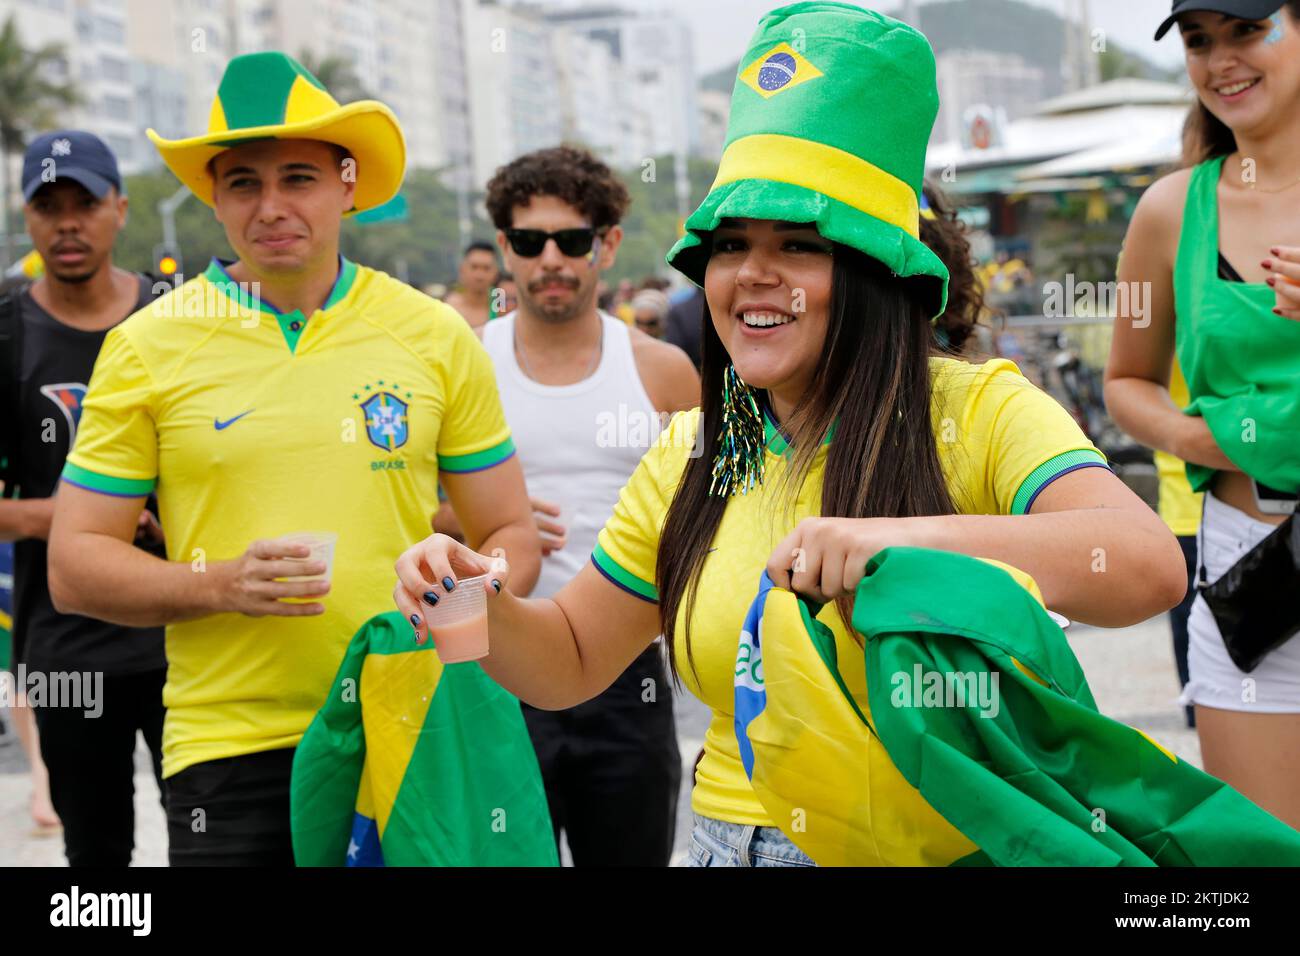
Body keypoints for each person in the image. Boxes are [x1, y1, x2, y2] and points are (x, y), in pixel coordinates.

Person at [394, 3, 1186, 867]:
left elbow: (1144, 564)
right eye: (731, 244)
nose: (753, 275)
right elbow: (573, 658)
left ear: (874, 272)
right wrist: (471, 598)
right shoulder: (696, 449)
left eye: (799, 246)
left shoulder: (977, 411)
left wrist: (901, 543)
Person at [47, 52, 540, 866]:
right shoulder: (146, 346)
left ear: (348, 185)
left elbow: (510, 533)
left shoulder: (433, 334)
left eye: (299, 178)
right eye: (243, 183)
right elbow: (74, 564)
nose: (271, 206)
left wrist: (466, 591)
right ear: (215, 198)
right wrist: (220, 584)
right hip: (229, 748)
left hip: (409, 725)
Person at [1105, 0, 1300, 829]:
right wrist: (1199, 439)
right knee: (1265, 850)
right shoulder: (1171, 210)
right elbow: (1127, 381)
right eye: (1198, 40)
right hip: (1253, 576)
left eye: (1247, 30)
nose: (1222, 60)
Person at [474, 145, 698, 865]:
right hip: (494, 666)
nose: (551, 260)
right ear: (504, 246)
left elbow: (718, 510)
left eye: (572, 240)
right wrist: (479, 522)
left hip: (626, 670)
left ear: (608, 244)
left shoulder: (662, 371)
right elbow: (407, 499)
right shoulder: (464, 364)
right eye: (529, 241)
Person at [0, 132, 168, 858]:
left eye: (85, 203)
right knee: (95, 861)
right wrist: (66, 519)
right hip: (68, 647)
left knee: (219, 842)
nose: (67, 224)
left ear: (120, 209)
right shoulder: (8, 332)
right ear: (27, 217)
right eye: (48, 207)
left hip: (190, 632)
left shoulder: (178, 316)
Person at [444, 241, 501, 331]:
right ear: (462, 270)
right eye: (474, 267)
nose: (479, 275)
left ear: (496, 272)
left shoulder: (500, 303)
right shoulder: (450, 307)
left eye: (486, 268)